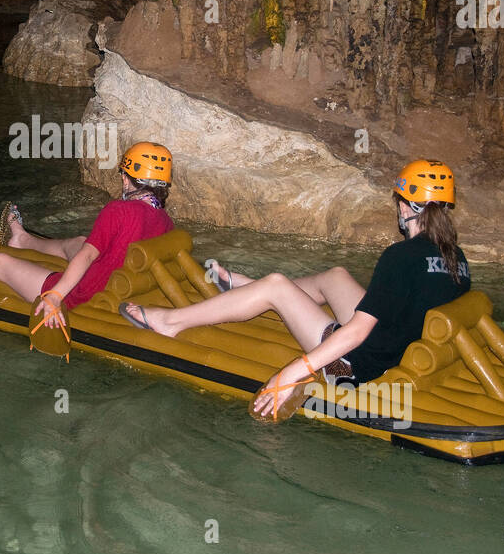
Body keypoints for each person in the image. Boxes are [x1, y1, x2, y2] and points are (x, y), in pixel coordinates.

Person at [120, 159, 470, 420]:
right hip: (394, 346)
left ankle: (172, 321)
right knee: (335, 276)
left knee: (277, 285)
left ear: (406, 205)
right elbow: (405, 306)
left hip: (353, 367)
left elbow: (358, 331)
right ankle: (245, 288)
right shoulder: (457, 257)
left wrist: (294, 371)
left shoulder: (400, 256)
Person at [0, 142, 175, 334]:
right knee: (78, 241)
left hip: (84, 292)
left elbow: (88, 257)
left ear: (127, 178)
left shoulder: (118, 210)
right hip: (116, 278)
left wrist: (56, 296)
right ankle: (22, 240)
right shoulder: (165, 220)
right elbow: (90, 249)